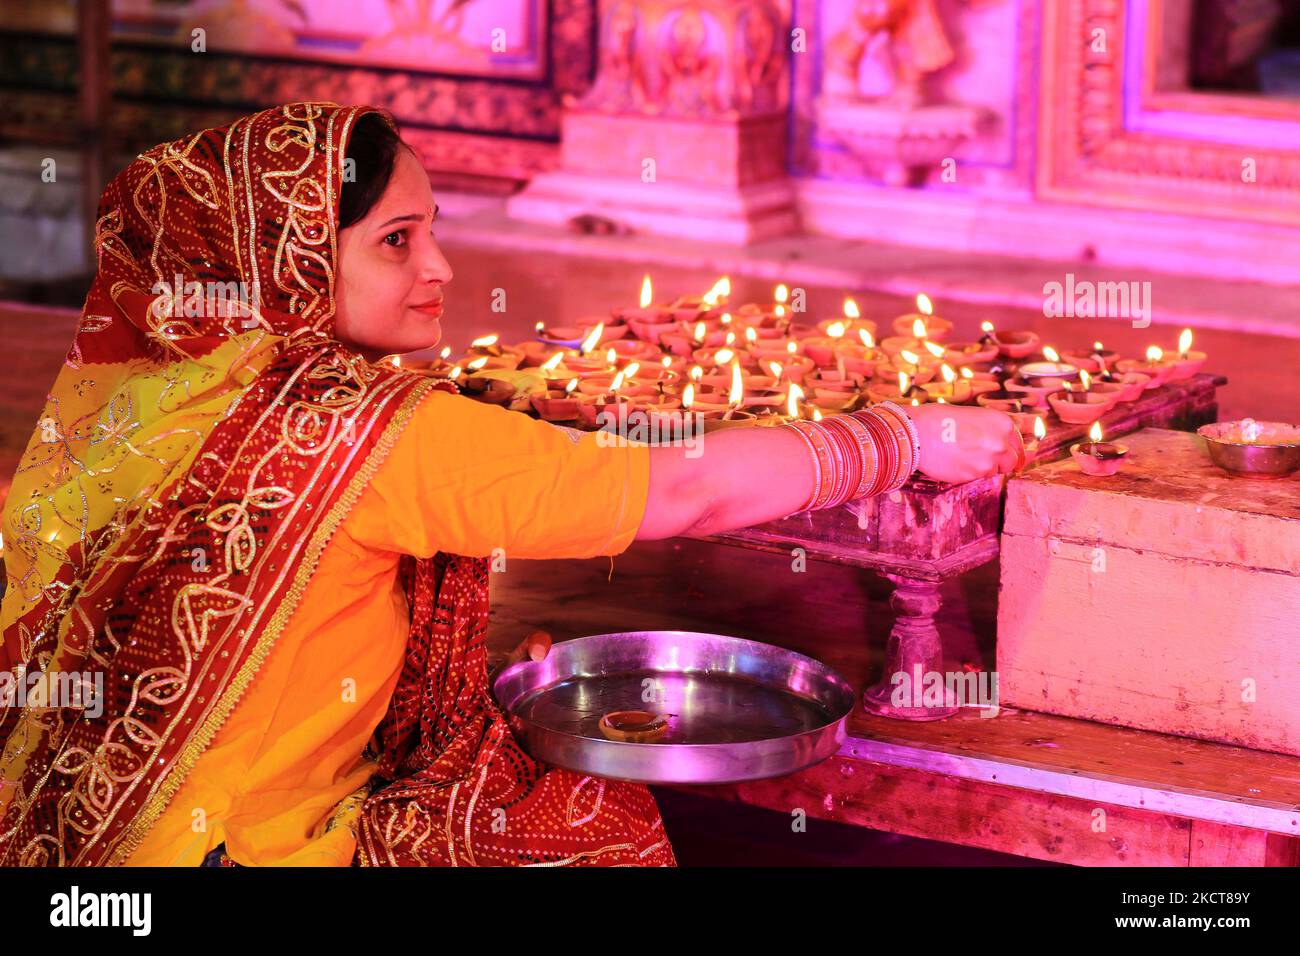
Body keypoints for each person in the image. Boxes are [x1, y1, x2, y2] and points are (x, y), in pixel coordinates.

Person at [0, 102, 1021, 867]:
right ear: (288, 261)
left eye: (432, 226)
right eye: (396, 241)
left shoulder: (133, 404)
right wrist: (904, 435)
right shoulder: (378, 434)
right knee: (585, 820)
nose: (440, 264)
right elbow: (679, 495)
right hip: (246, 847)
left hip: (74, 842)